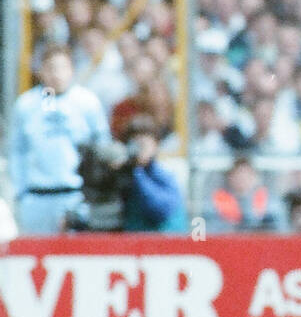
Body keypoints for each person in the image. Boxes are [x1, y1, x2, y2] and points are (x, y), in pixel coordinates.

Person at [8, 45, 109, 234]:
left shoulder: (86, 102)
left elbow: (101, 145)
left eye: (62, 67)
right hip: (37, 195)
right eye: (51, 68)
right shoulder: (27, 104)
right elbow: (17, 150)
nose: (57, 74)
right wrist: (21, 191)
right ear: (41, 71)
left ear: (72, 69)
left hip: (75, 194)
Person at [120, 115, 187, 232]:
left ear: (156, 145)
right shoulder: (124, 174)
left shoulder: (165, 176)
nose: (138, 149)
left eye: (143, 145)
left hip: (166, 243)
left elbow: (159, 210)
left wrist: (137, 171)